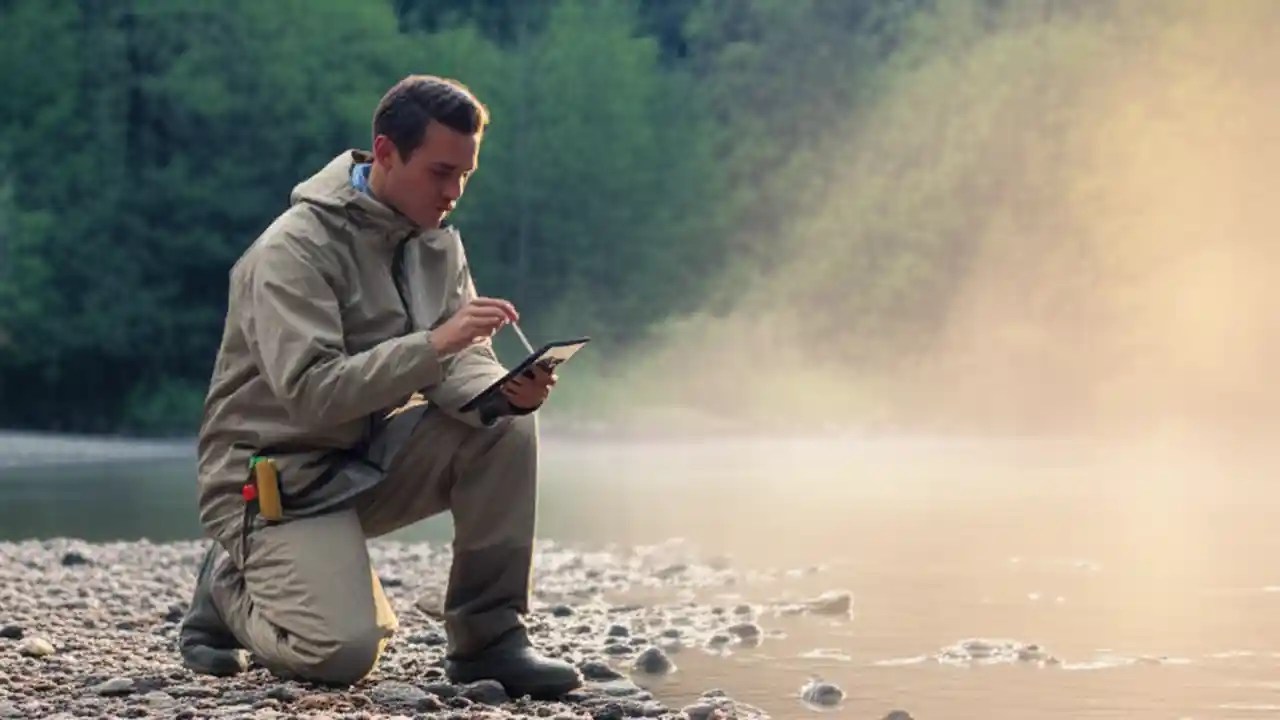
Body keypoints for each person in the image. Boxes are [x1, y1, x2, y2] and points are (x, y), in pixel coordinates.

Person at [176, 75, 583, 700]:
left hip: (361, 461)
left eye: (465, 177)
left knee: (507, 429)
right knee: (340, 654)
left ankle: (490, 641)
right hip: (272, 483)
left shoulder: (435, 241)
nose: (452, 194)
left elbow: (461, 359)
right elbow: (311, 394)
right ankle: (228, 588)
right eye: (440, 172)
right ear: (386, 152)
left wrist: (501, 394)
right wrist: (436, 343)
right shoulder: (292, 251)